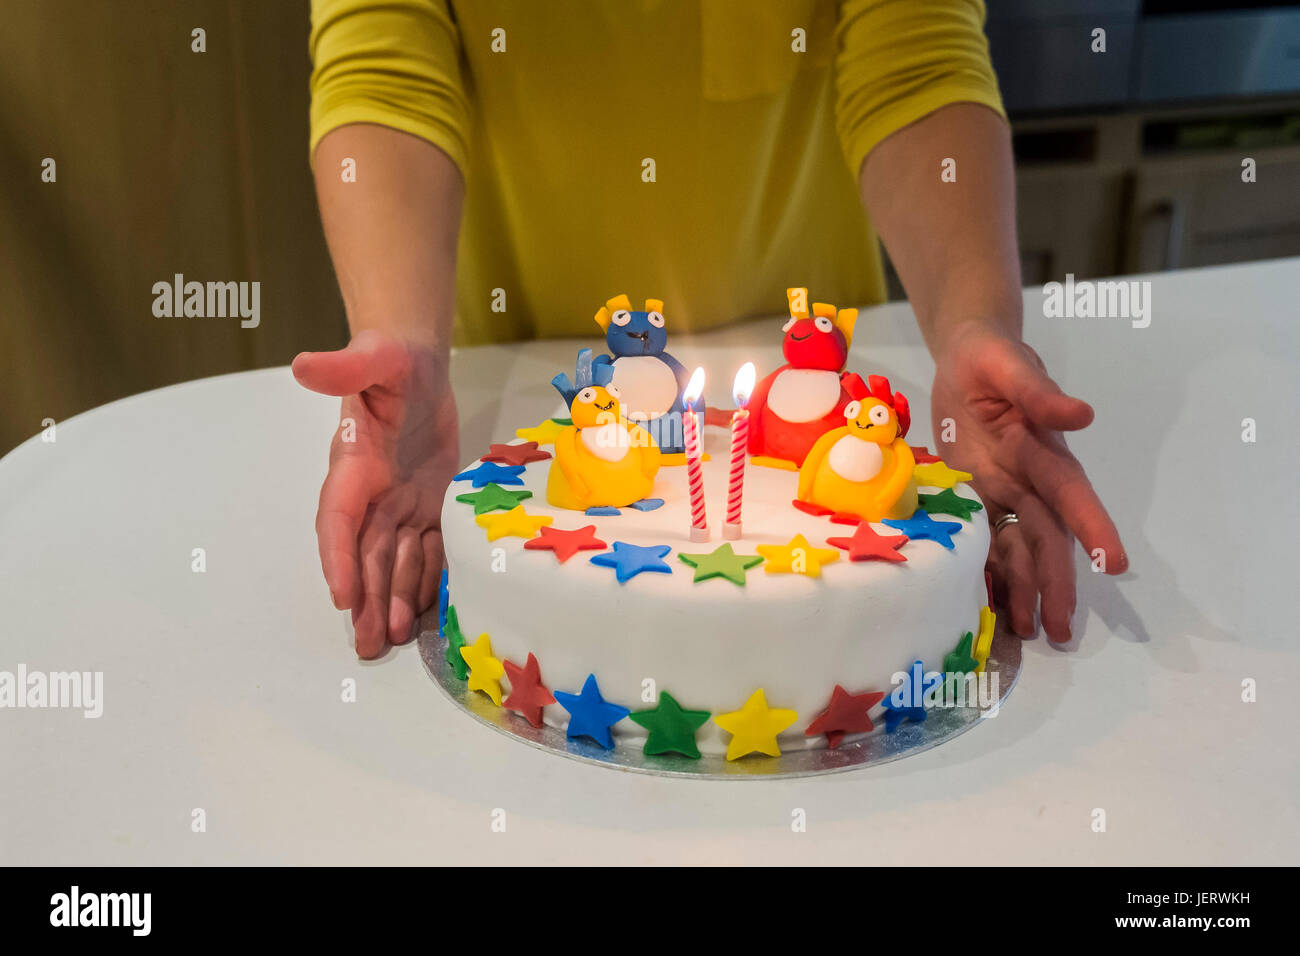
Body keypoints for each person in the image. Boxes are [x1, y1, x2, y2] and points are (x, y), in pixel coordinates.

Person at [291, 0, 1128, 658]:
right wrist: (406, 339)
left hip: (811, 371)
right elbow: (383, 71)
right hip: (511, 374)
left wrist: (973, 321)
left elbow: (918, 57)